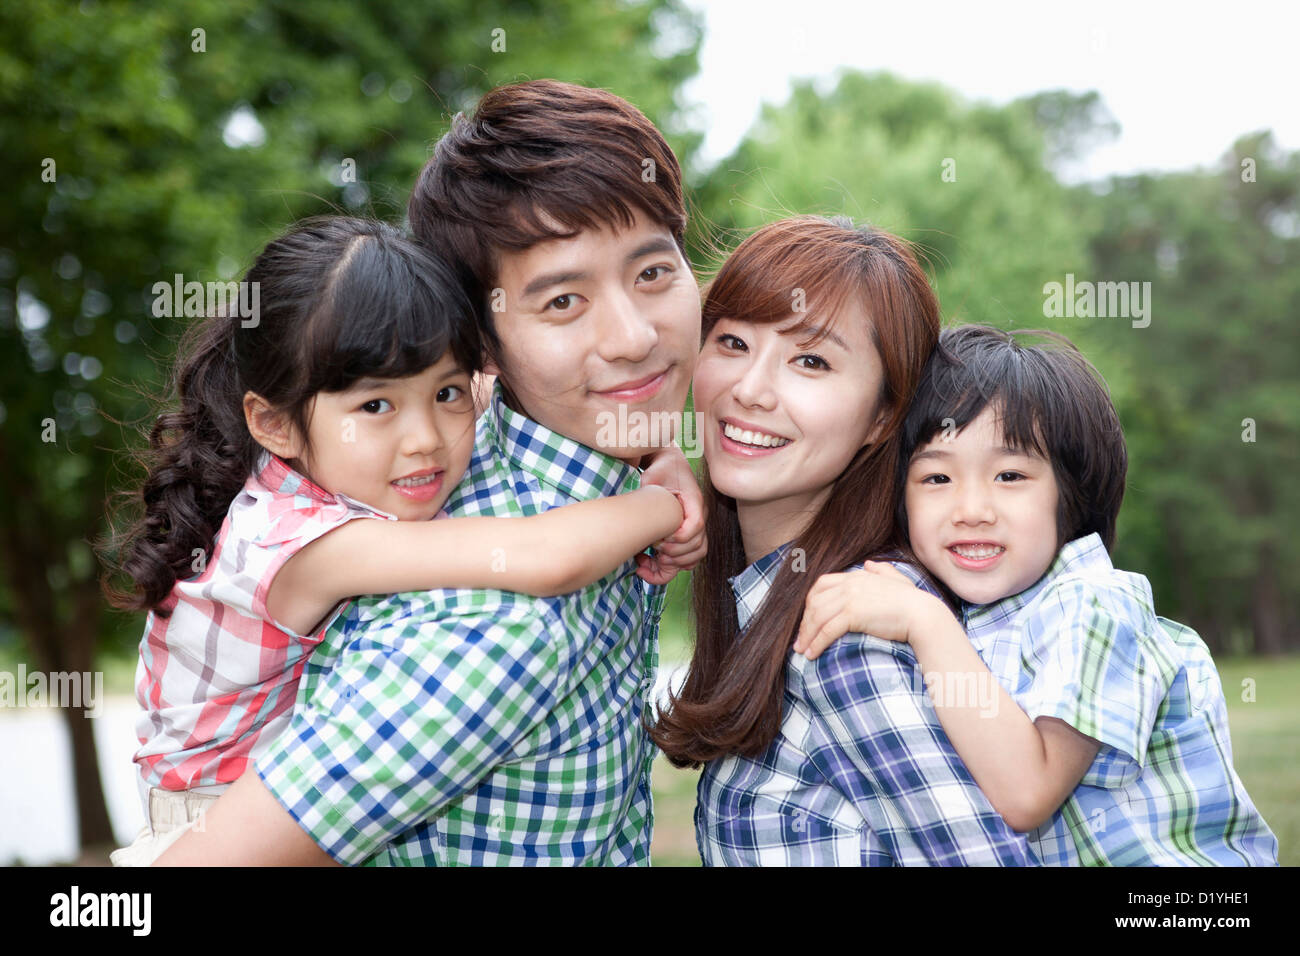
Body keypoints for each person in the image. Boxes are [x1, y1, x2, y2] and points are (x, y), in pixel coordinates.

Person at [157, 79, 705, 865]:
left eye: (652, 274)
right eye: (561, 303)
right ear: (482, 339)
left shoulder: (459, 439)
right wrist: (669, 506)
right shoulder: (491, 625)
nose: (631, 337)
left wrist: (662, 456)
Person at [794, 325, 1279, 865]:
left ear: (1069, 496)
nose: (972, 508)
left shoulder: (1091, 604)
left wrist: (924, 622)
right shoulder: (978, 617)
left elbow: (1028, 793)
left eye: (1009, 474)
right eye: (936, 478)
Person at [652, 217, 1036, 865]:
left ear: (882, 415)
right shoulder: (772, 596)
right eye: (733, 342)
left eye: (811, 360)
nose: (749, 389)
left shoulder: (848, 635)